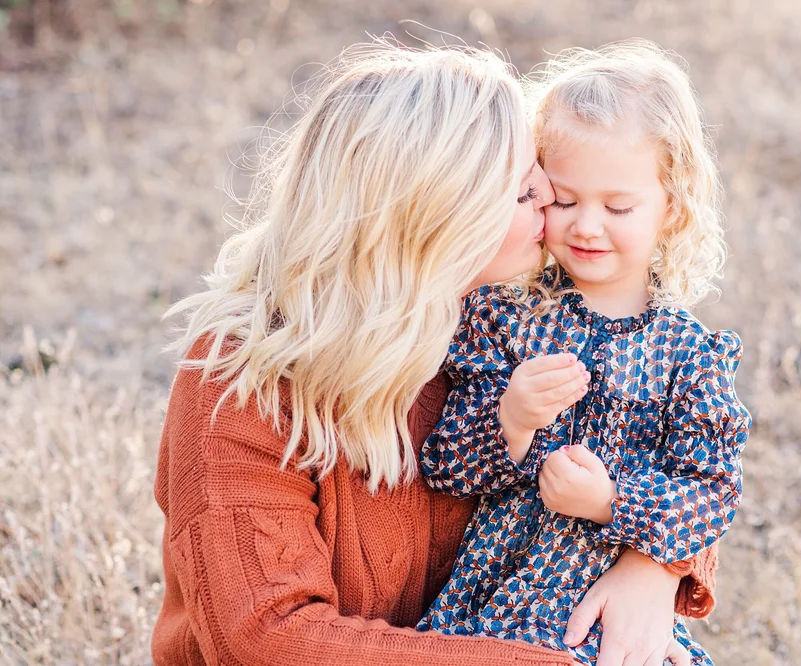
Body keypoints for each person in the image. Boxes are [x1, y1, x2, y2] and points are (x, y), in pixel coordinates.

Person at [152, 39, 717, 666]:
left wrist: (654, 566)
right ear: (438, 219)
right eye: (527, 192)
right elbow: (268, 641)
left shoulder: (497, 323)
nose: (555, 207)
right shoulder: (241, 382)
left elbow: (674, 454)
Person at [419, 40, 751, 665]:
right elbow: (447, 470)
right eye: (565, 200)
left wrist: (609, 503)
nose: (587, 226)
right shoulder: (503, 317)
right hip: (495, 601)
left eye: (617, 206)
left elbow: (711, 496)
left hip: (609, 610)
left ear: (673, 209)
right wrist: (511, 420)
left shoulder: (691, 356)